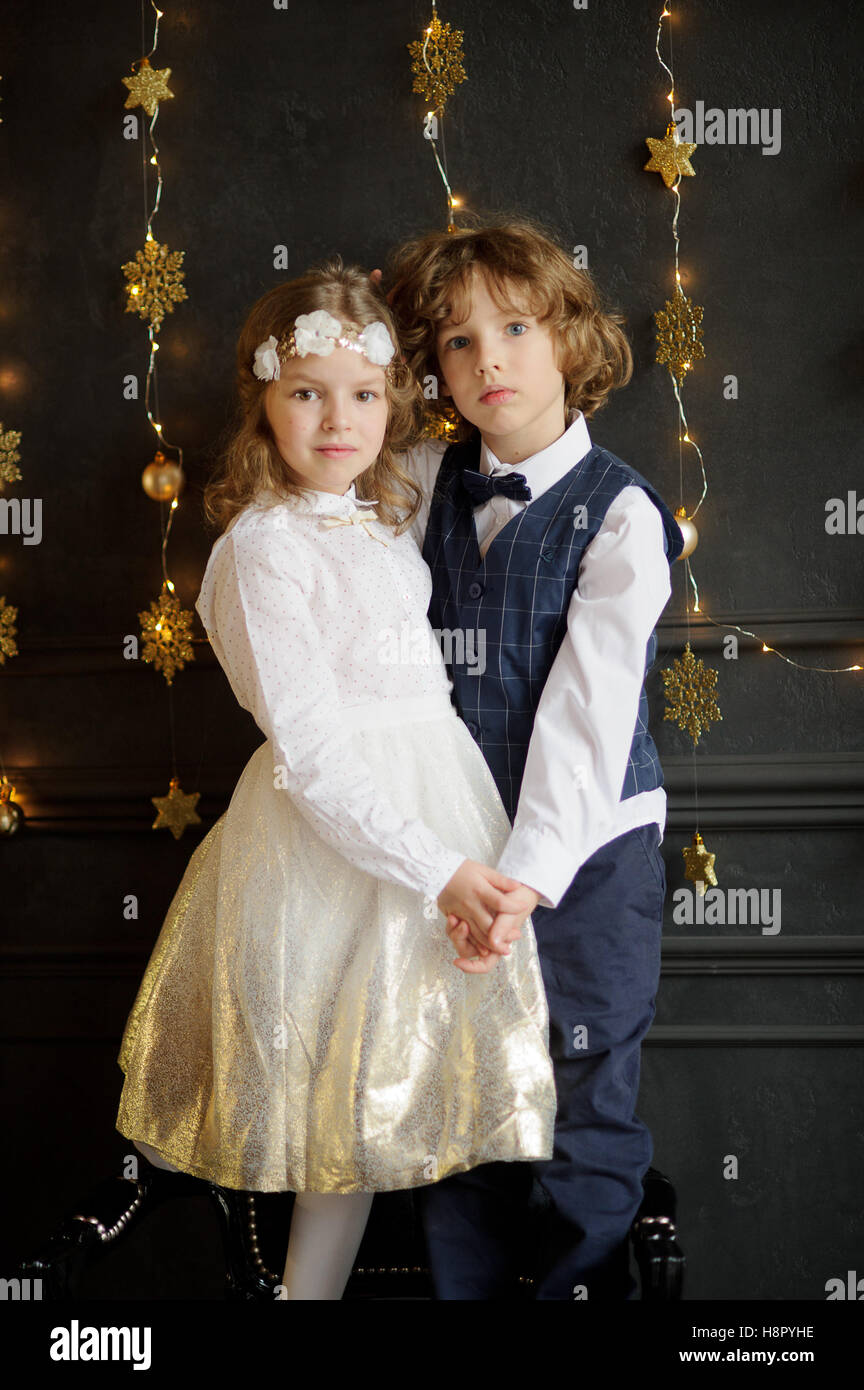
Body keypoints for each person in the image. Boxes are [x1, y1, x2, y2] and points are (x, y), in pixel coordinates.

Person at [114, 258, 557, 1301]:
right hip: (335, 850)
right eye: (305, 392)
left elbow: (452, 446)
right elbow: (311, 751)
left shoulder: (377, 519)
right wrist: (437, 866)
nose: (337, 421)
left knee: (377, 1112)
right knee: (330, 1118)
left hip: (441, 813)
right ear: (262, 399)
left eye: (363, 395)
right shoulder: (260, 550)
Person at [378, 216, 685, 1300]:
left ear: (571, 340)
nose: (488, 359)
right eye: (457, 342)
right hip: (454, 857)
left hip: (584, 863)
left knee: (580, 1106)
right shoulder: (418, 483)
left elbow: (586, 722)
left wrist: (527, 883)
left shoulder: (622, 516)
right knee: (459, 1108)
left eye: (515, 326)